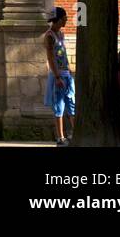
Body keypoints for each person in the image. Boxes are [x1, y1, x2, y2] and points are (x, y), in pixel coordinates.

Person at [42, 8, 75, 145]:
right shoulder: (50, 36)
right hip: (58, 76)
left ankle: (75, 133)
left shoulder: (61, 34)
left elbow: (63, 56)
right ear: (59, 19)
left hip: (66, 74)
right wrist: (57, 77)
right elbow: (50, 58)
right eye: (65, 17)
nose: (67, 19)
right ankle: (60, 137)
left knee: (71, 105)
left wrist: (69, 72)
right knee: (59, 107)